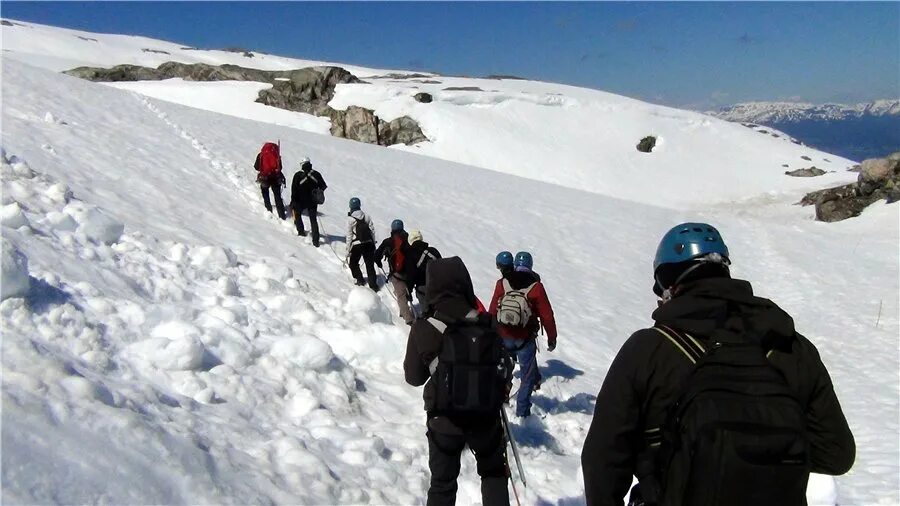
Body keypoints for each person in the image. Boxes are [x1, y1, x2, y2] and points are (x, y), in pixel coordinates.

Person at [581, 223, 855, 506]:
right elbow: (837, 454)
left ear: (669, 283)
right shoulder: (791, 346)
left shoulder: (648, 349)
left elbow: (603, 457)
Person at [404, 256, 513, 506]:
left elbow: (413, 377)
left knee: (442, 484)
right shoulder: (486, 322)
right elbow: (504, 366)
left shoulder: (424, 326)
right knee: (493, 474)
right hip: (485, 418)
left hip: (444, 420)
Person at [489, 251, 557, 418]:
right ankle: (522, 411)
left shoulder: (502, 283)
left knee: (504, 367)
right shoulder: (536, 287)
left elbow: (492, 311)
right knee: (527, 377)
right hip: (524, 339)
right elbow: (547, 316)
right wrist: (552, 337)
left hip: (503, 336)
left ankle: (501, 396)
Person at [375, 219, 415, 324]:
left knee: (401, 296)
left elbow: (377, 255)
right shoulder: (409, 240)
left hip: (396, 273)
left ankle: (409, 319)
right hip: (411, 273)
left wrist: (379, 262)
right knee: (407, 292)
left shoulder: (388, 242)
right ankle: (407, 310)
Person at [289, 157, 327, 246]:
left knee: (297, 215)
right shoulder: (316, 174)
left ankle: (301, 231)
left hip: (300, 200)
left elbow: (294, 189)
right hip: (313, 201)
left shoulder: (298, 175)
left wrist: (293, 200)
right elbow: (323, 186)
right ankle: (316, 241)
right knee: (313, 220)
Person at [345, 197, 378, 292]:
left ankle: (360, 279)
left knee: (353, 263)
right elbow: (372, 231)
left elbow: (349, 235)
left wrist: (348, 249)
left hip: (357, 245)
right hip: (368, 243)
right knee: (370, 265)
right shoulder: (366, 216)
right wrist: (373, 244)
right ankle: (373, 285)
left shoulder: (349, 219)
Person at [405, 229, 442, 314]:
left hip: (422, 286)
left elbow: (411, 276)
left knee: (427, 311)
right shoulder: (433, 251)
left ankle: (428, 321)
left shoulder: (410, 255)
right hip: (438, 284)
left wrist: (409, 291)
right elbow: (441, 265)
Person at [253, 142, 286, 219]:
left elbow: (256, 167)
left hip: (264, 177)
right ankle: (281, 214)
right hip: (275, 177)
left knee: (265, 193)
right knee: (277, 195)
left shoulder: (261, 154)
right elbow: (280, 167)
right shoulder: (276, 155)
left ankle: (268, 210)